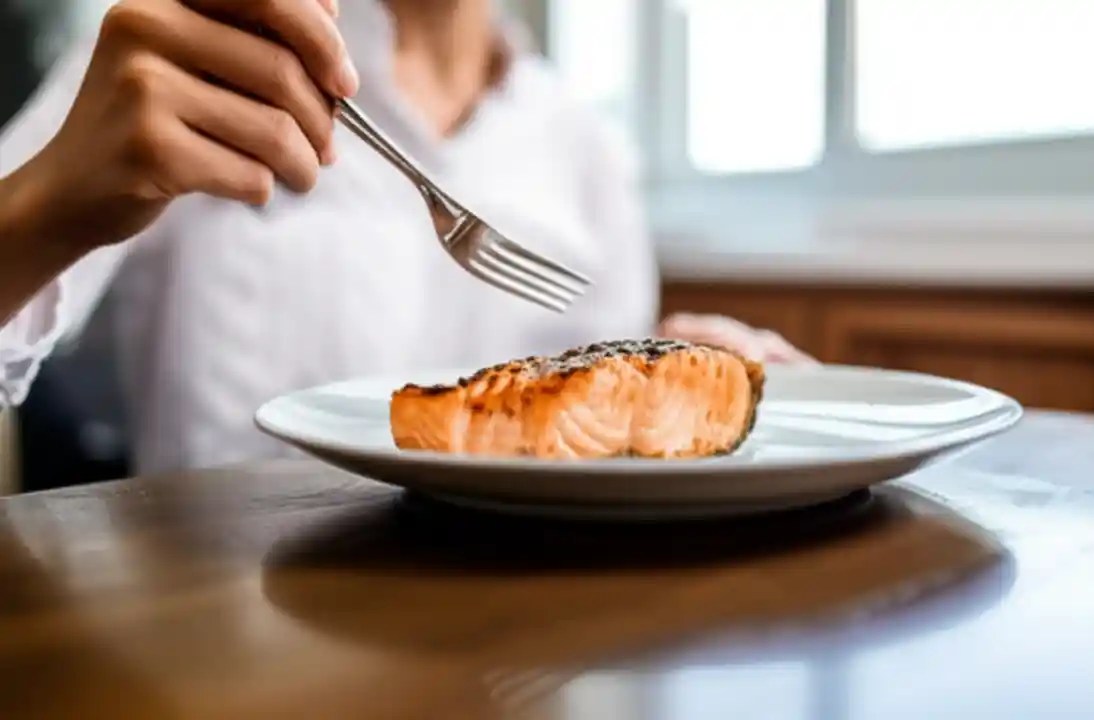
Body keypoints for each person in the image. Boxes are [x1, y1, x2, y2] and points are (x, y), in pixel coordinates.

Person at [0, 0, 812, 475]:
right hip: (216, 643)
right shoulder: (185, 53)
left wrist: (677, 372)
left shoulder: (587, 146)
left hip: (518, 655)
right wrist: (44, 204)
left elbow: (591, 438)